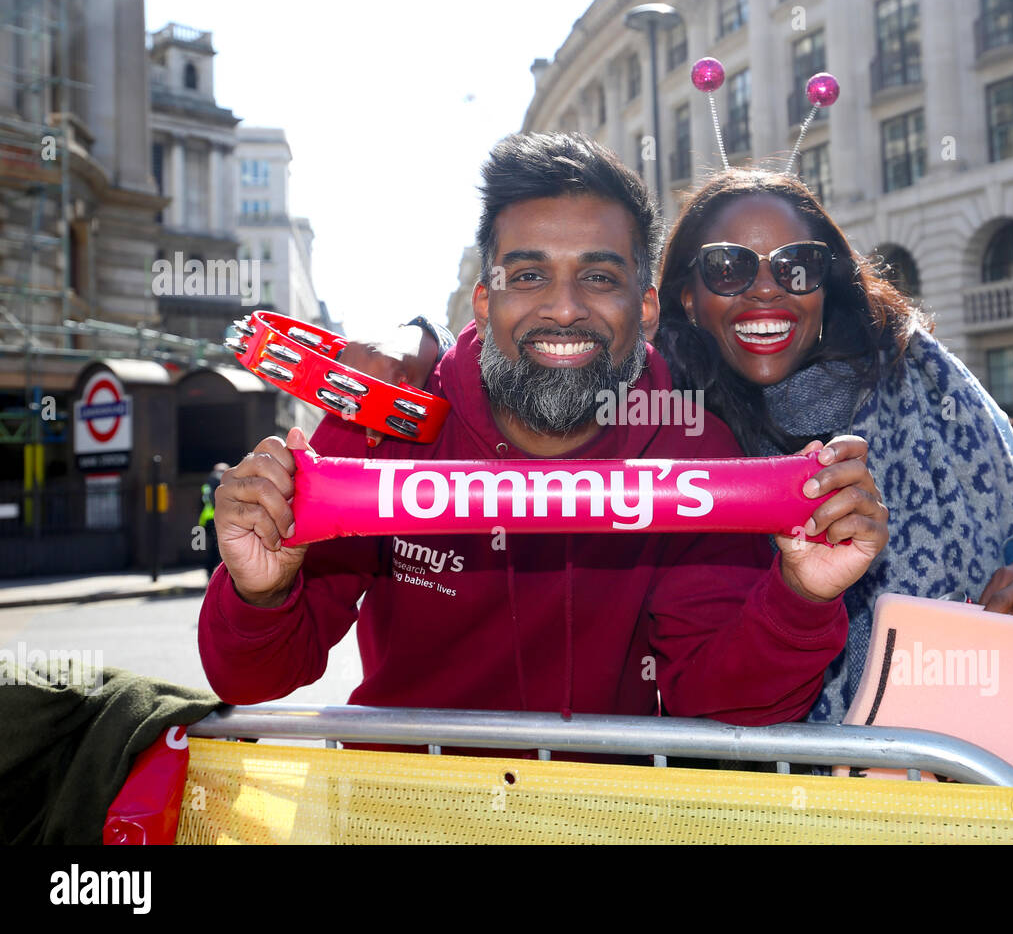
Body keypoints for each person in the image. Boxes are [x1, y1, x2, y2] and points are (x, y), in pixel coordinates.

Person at [199, 133, 888, 744]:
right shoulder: (387, 424)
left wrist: (803, 596)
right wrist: (260, 590)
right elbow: (255, 676)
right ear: (484, 299)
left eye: (598, 277)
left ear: (644, 308)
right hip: (401, 806)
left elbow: (723, 702)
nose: (563, 308)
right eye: (528, 276)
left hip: (604, 815)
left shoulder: (693, 450)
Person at [650, 168, 1013, 724]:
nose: (767, 287)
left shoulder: (926, 375)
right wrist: (801, 594)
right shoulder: (664, 431)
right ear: (688, 296)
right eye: (728, 267)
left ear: (826, 286)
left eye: (798, 266)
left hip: (965, 773)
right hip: (768, 798)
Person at [198, 462, 228, 577]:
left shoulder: (207, 484)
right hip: (217, 519)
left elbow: (201, 504)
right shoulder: (219, 481)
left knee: (215, 547)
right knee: (220, 549)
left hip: (207, 520)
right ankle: (218, 573)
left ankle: (210, 571)